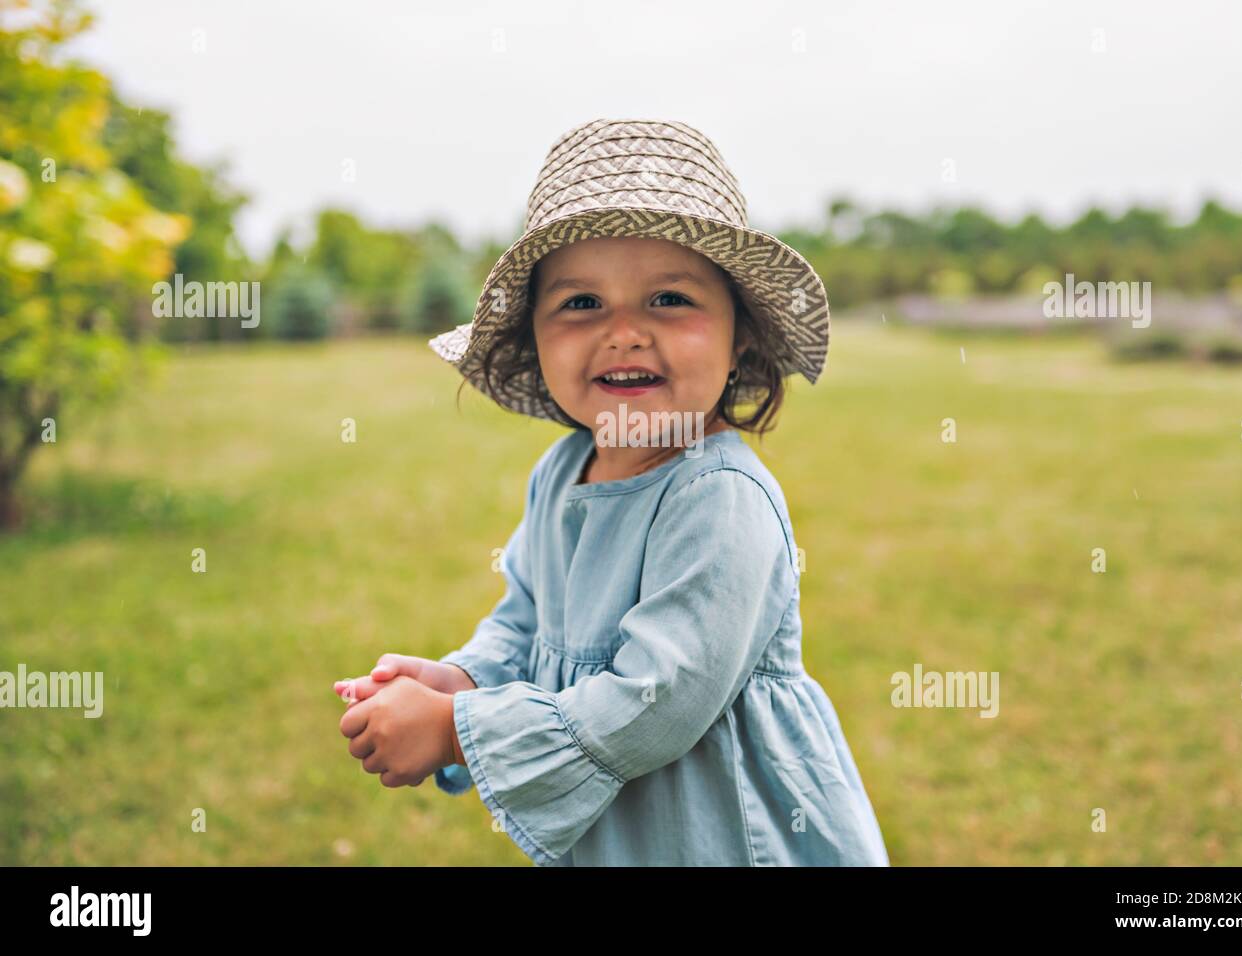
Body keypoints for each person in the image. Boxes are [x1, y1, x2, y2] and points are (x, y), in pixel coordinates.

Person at [333, 118, 890, 866]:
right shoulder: (562, 473)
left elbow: (655, 703)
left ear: (742, 334)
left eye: (668, 298)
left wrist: (458, 728)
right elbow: (524, 621)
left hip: (725, 830)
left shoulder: (720, 496)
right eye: (582, 304)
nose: (624, 332)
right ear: (534, 336)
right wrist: (461, 678)